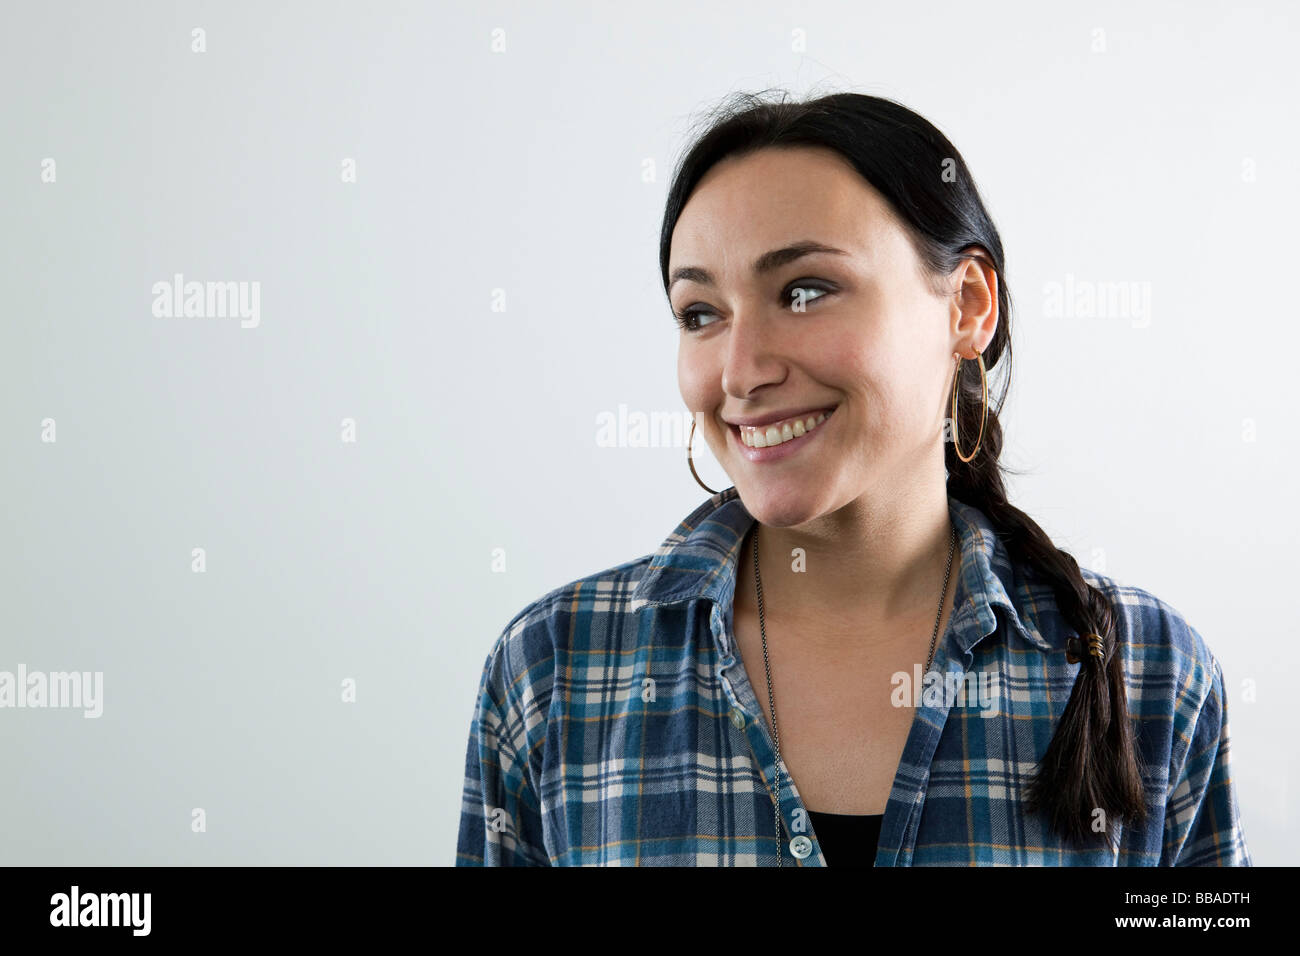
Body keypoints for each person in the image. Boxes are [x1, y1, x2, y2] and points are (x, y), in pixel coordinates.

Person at [455, 90, 1251, 866]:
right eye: (701, 313)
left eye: (804, 292)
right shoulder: (554, 670)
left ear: (967, 305)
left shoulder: (1147, 671)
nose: (741, 372)